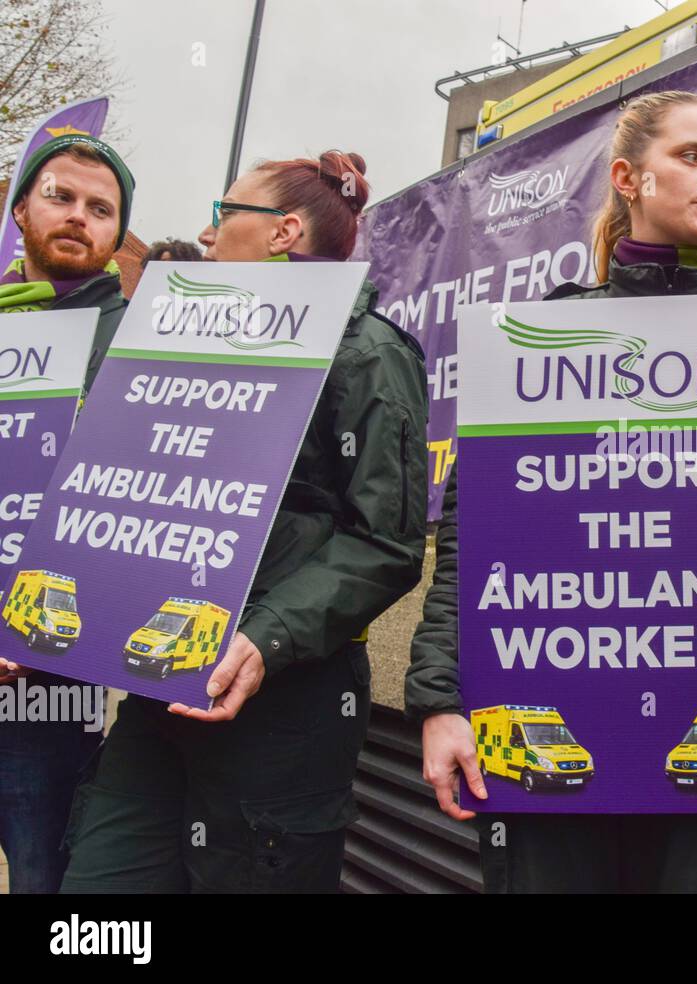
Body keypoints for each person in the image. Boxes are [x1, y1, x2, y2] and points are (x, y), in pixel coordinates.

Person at [407, 90, 697, 893]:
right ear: (628, 177)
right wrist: (439, 702)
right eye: (691, 157)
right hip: (546, 745)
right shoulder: (547, 332)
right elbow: (477, 545)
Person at [58, 150, 430, 893]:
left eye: (224, 214)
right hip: (158, 690)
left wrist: (266, 637)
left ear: (283, 232)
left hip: (285, 710)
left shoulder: (370, 354)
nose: (205, 230)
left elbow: (384, 542)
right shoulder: (178, 355)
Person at [0, 134, 134, 894]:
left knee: (47, 880)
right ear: (21, 209)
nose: (79, 216)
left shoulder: (143, 349)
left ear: (117, 233)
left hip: (49, 684)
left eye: (101, 207)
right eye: (60, 196)